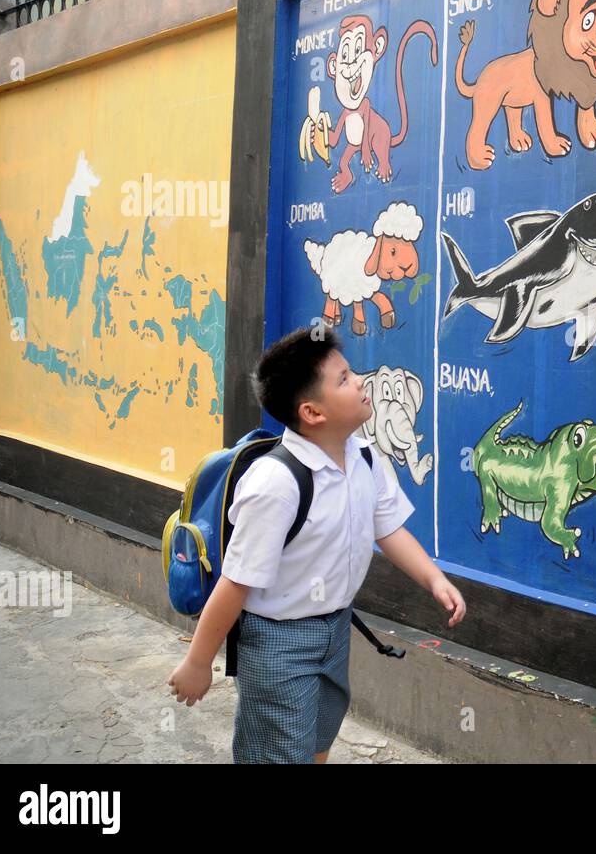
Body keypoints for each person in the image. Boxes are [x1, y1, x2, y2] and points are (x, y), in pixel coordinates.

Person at [166, 325, 465, 763]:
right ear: (313, 412)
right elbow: (235, 584)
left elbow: (389, 529)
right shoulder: (275, 485)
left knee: (317, 743)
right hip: (277, 641)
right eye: (343, 379)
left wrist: (434, 579)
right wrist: (198, 662)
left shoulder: (365, 456)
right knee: (278, 754)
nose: (360, 381)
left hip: (334, 629)